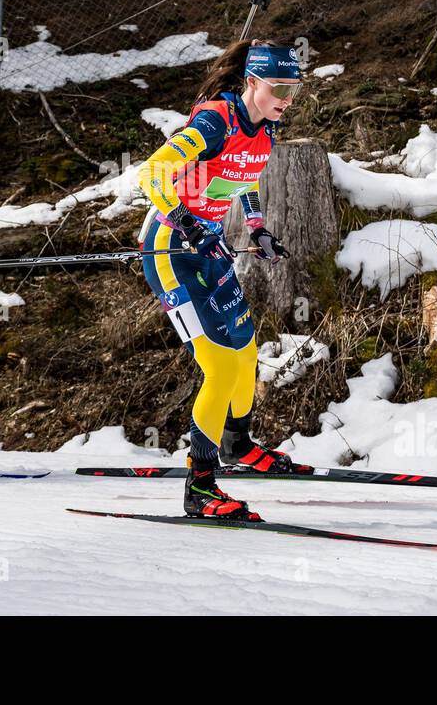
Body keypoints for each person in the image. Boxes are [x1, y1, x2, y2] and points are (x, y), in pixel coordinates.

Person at [136, 39, 313, 522]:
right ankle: (201, 487)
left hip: (210, 247)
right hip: (172, 248)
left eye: (294, 91)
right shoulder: (215, 120)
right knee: (220, 367)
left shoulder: (264, 132)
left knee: (246, 351)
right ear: (251, 82)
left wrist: (257, 229)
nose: (287, 99)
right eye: (279, 88)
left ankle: (237, 442)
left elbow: (244, 178)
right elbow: (152, 173)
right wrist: (189, 224)